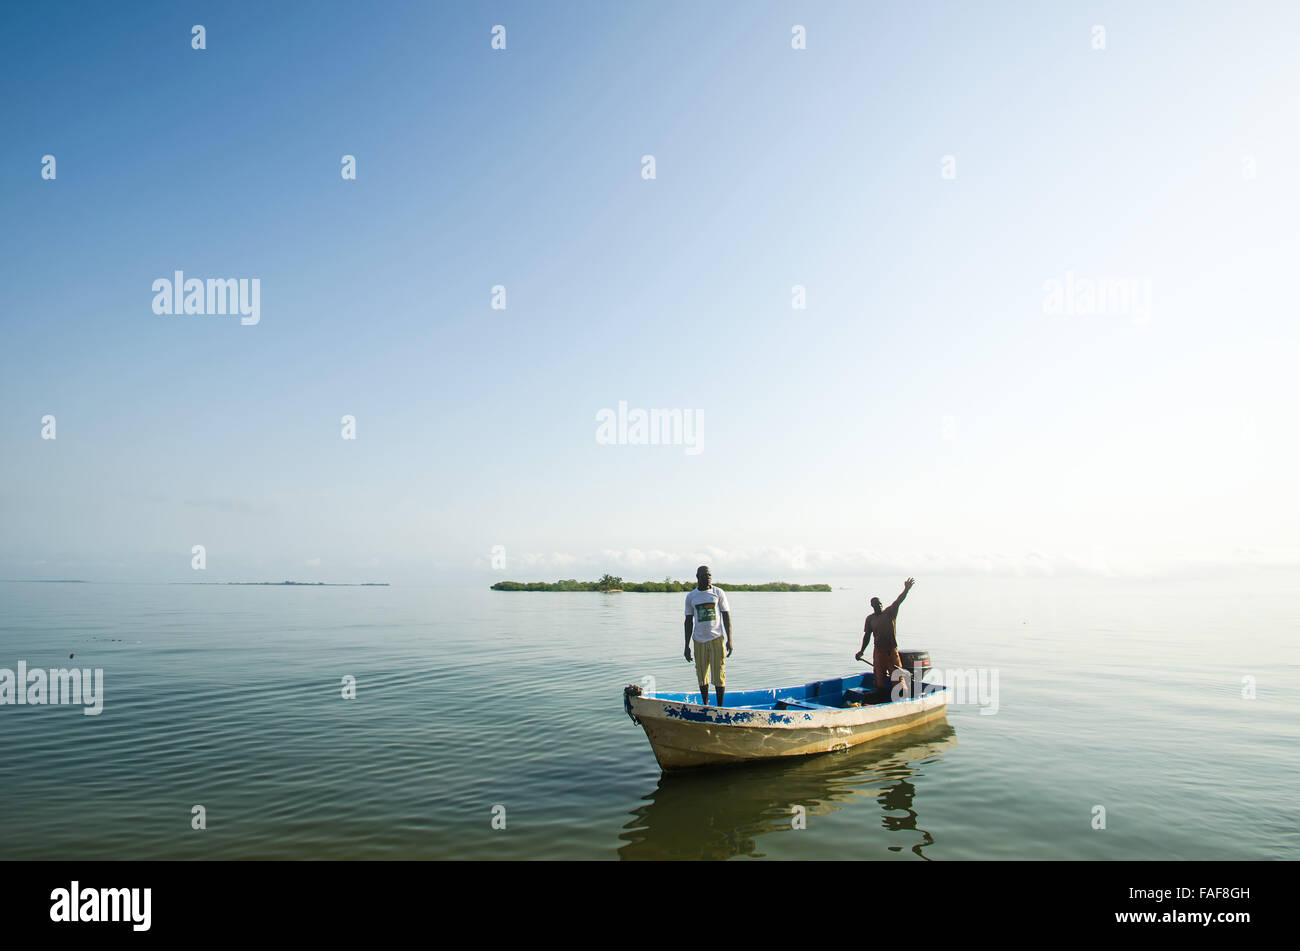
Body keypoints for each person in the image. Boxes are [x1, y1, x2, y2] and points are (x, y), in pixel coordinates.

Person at [683, 565, 733, 706]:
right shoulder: (691, 596)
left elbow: (726, 616)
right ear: (698, 577)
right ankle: (705, 705)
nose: (709, 578)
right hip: (699, 640)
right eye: (706, 575)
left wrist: (730, 640)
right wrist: (686, 646)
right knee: (702, 676)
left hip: (717, 639)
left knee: (719, 675)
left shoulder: (718, 592)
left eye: (710, 575)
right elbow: (688, 621)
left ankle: (720, 706)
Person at [856, 578, 914, 693]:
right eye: (876, 604)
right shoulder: (870, 619)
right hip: (878, 652)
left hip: (891, 651)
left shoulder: (889, 613)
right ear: (872, 606)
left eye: (880, 604)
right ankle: (881, 697)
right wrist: (861, 651)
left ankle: (902, 698)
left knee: (898, 679)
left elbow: (899, 601)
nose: (879, 606)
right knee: (879, 679)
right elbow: (867, 636)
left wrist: (906, 589)